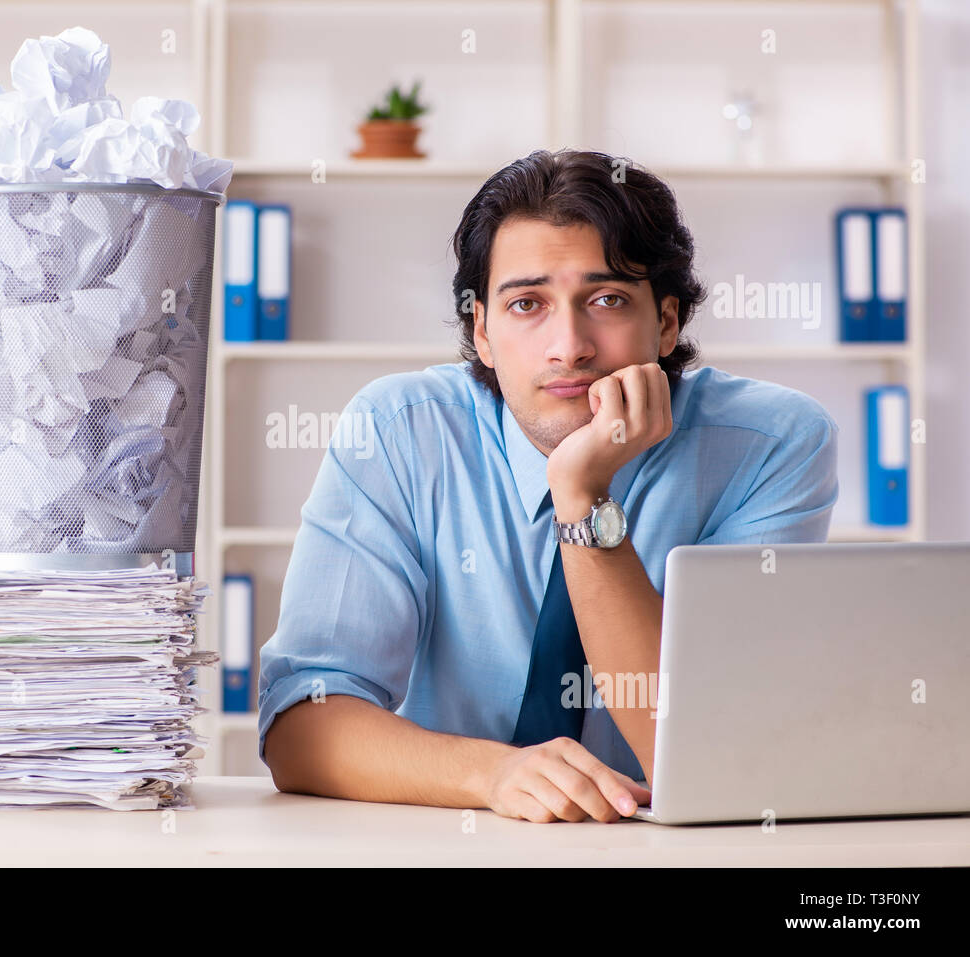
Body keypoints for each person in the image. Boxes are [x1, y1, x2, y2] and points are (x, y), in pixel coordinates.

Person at [257, 148, 839, 823]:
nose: (570, 345)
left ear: (668, 321)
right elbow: (301, 730)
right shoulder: (398, 432)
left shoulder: (771, 444)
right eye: (527, 303)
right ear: (482, 330)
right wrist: (495, 774)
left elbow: (710, 755)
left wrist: (581, 496)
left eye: (607, 299)